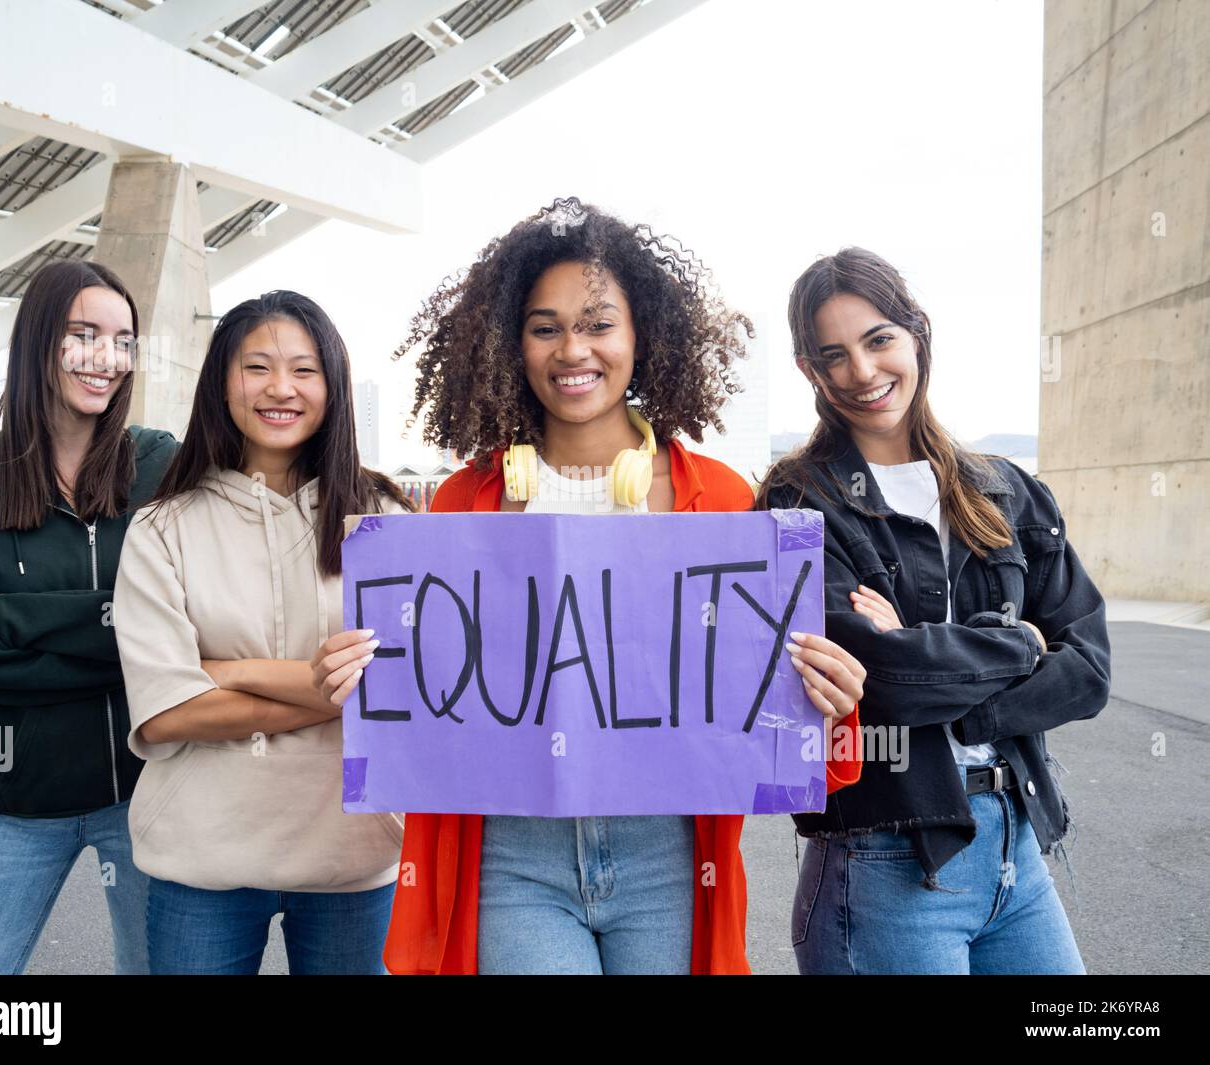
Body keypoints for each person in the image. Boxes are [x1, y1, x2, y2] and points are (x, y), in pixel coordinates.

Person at [315, 198, 865, 974]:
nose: (573, 348)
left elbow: (768, 709)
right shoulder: (462, 498)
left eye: (599, 323)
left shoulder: (721, 497)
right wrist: (369, 670)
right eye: (545, 327)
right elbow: (438, 685)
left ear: (644, 336)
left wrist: (827, 699)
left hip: (666, 849)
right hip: (513, 850)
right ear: (514, 342)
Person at [759, 246, 1110, 974]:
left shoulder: (1007, 492)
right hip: (882, 858)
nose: (861, 371)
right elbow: (880, 680)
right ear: (810, 371)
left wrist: (958, 697)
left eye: (879, 338)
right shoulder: (797, 504)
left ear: (917, 332)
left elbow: (1090, 668)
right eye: (833, 354)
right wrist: (1019, 641)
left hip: (1016, 846)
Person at [111, 290, 413, 974]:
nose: (282, 388)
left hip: (355, 854)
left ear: (332, 386)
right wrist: (326, 683)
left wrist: (228, 671)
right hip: (202, 863)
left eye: (305, 369)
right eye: (258, 367)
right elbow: (163, 715)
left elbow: (412, 688)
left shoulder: (384, 514)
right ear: (222, 382)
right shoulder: (163, 528)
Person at [0, 259, 177, 973]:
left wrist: (20, 616)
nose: (108, 358)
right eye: (84, 333)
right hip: (16, 802)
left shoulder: (157, 465)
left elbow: (189, 619)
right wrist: (121, 631)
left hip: (145, 792)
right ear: (39, 341)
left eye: (123, 339)